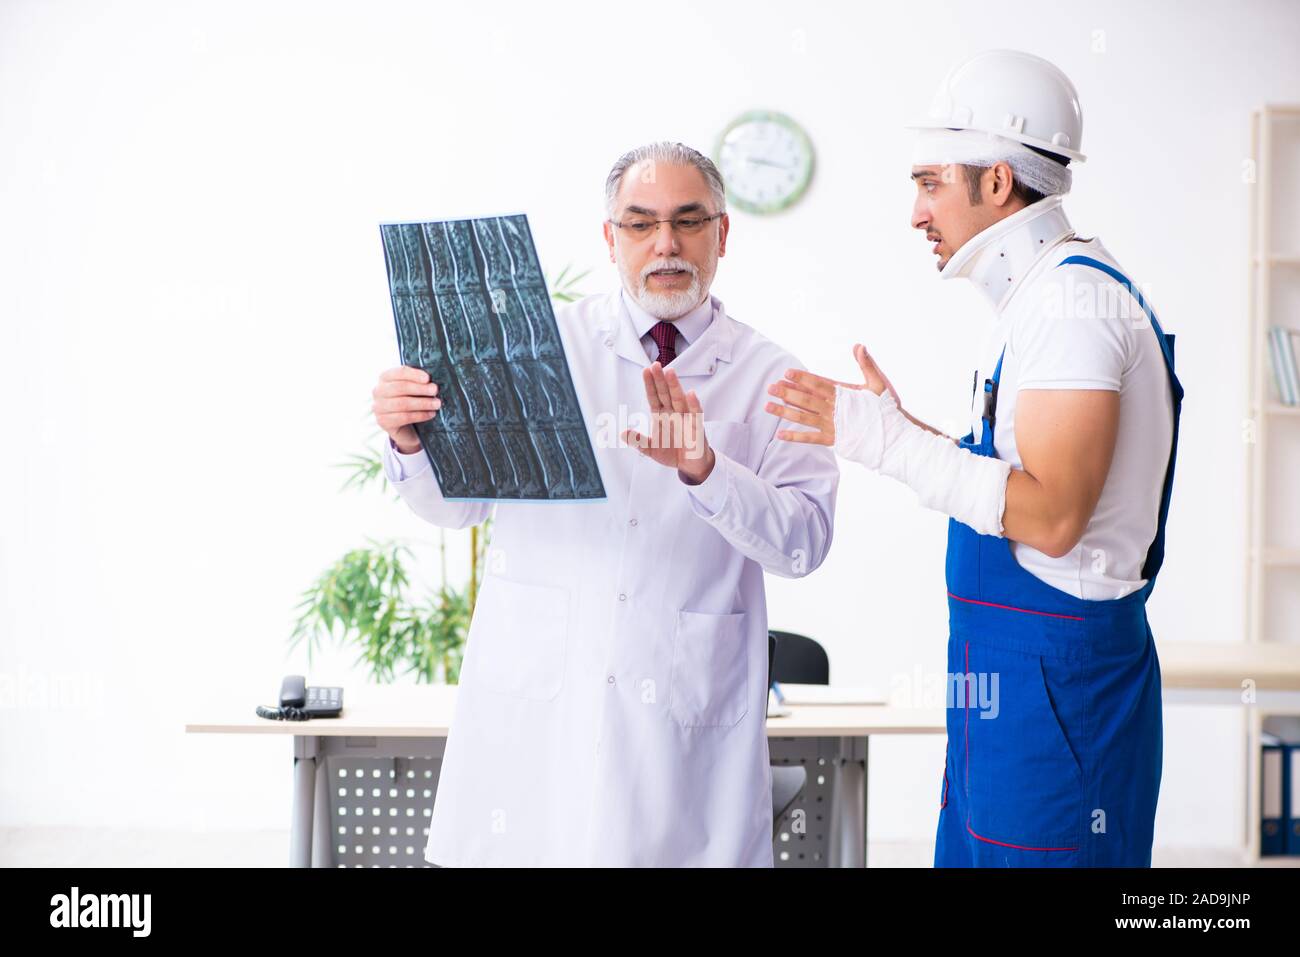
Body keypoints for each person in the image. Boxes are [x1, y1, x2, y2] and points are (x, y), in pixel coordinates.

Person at [766, 50, 1182, 866]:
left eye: (929, 183)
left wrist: (884, 442)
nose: (916, 212)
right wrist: (904, 428)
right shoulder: (1042, 298)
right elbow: (1018, 477)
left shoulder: (1069, 304)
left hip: (1054, 696)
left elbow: (1055, 516)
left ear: (997, 183)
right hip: (1013, 685)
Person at [372, 141, 839, 866]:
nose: (666, 244)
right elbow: (455, 508)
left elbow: (804, 542)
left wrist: (707, 468)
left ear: (723, 234)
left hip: (680, 736)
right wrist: (409, 441)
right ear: (608, 237)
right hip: (536, 714)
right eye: (640, 222)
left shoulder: (775, 376)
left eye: (689, 221)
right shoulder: (536, 349)